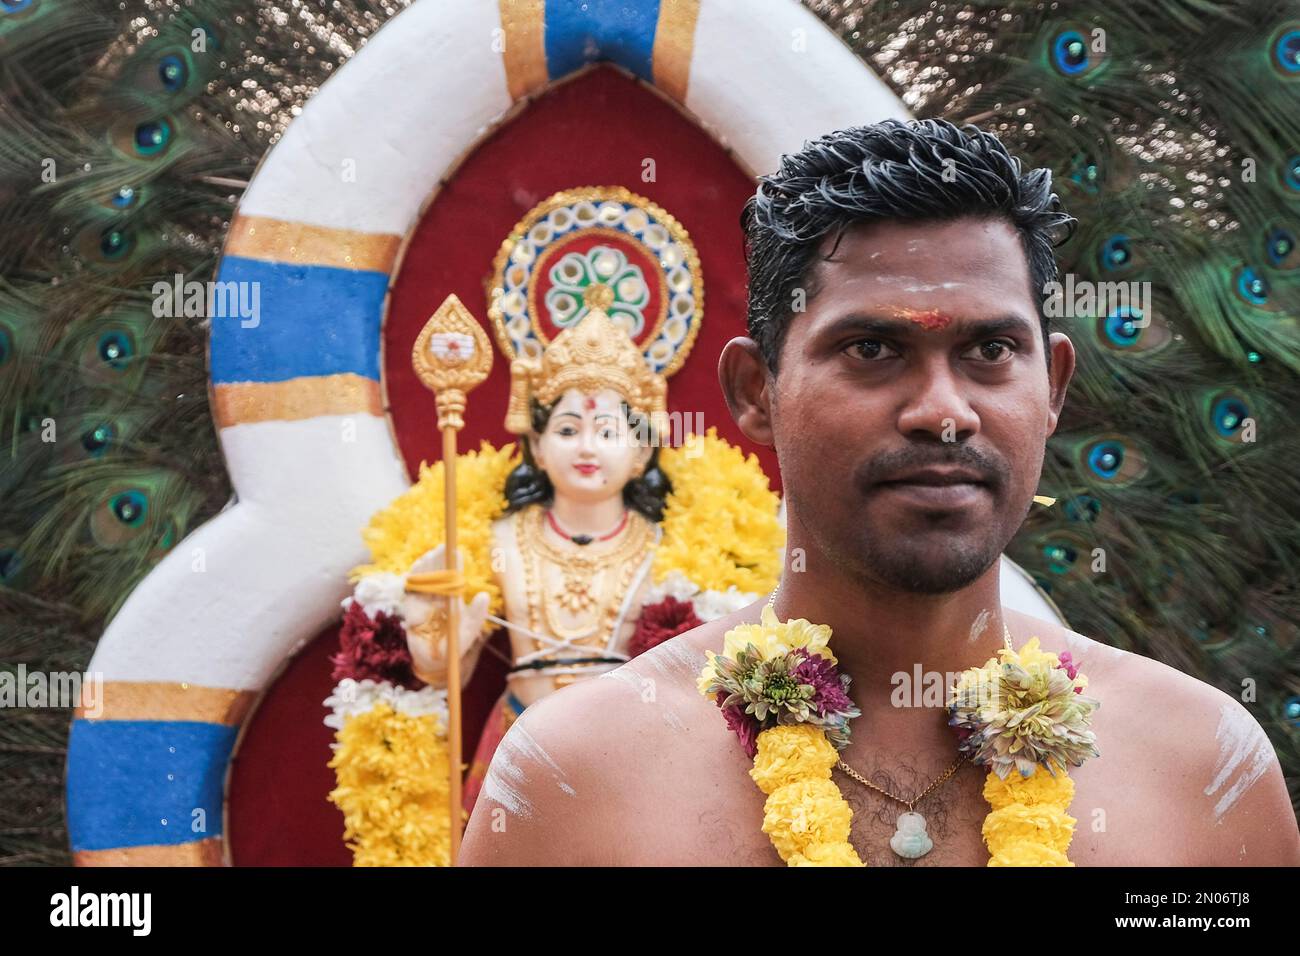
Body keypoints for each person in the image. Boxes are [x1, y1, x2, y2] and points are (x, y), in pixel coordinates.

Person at [459, 118, 1300, 866]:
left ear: (1054, 388)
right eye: (871, 349)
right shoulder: (577, 782)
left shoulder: (1203, 774)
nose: (943, 411)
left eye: (992, 350)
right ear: (756, 389)